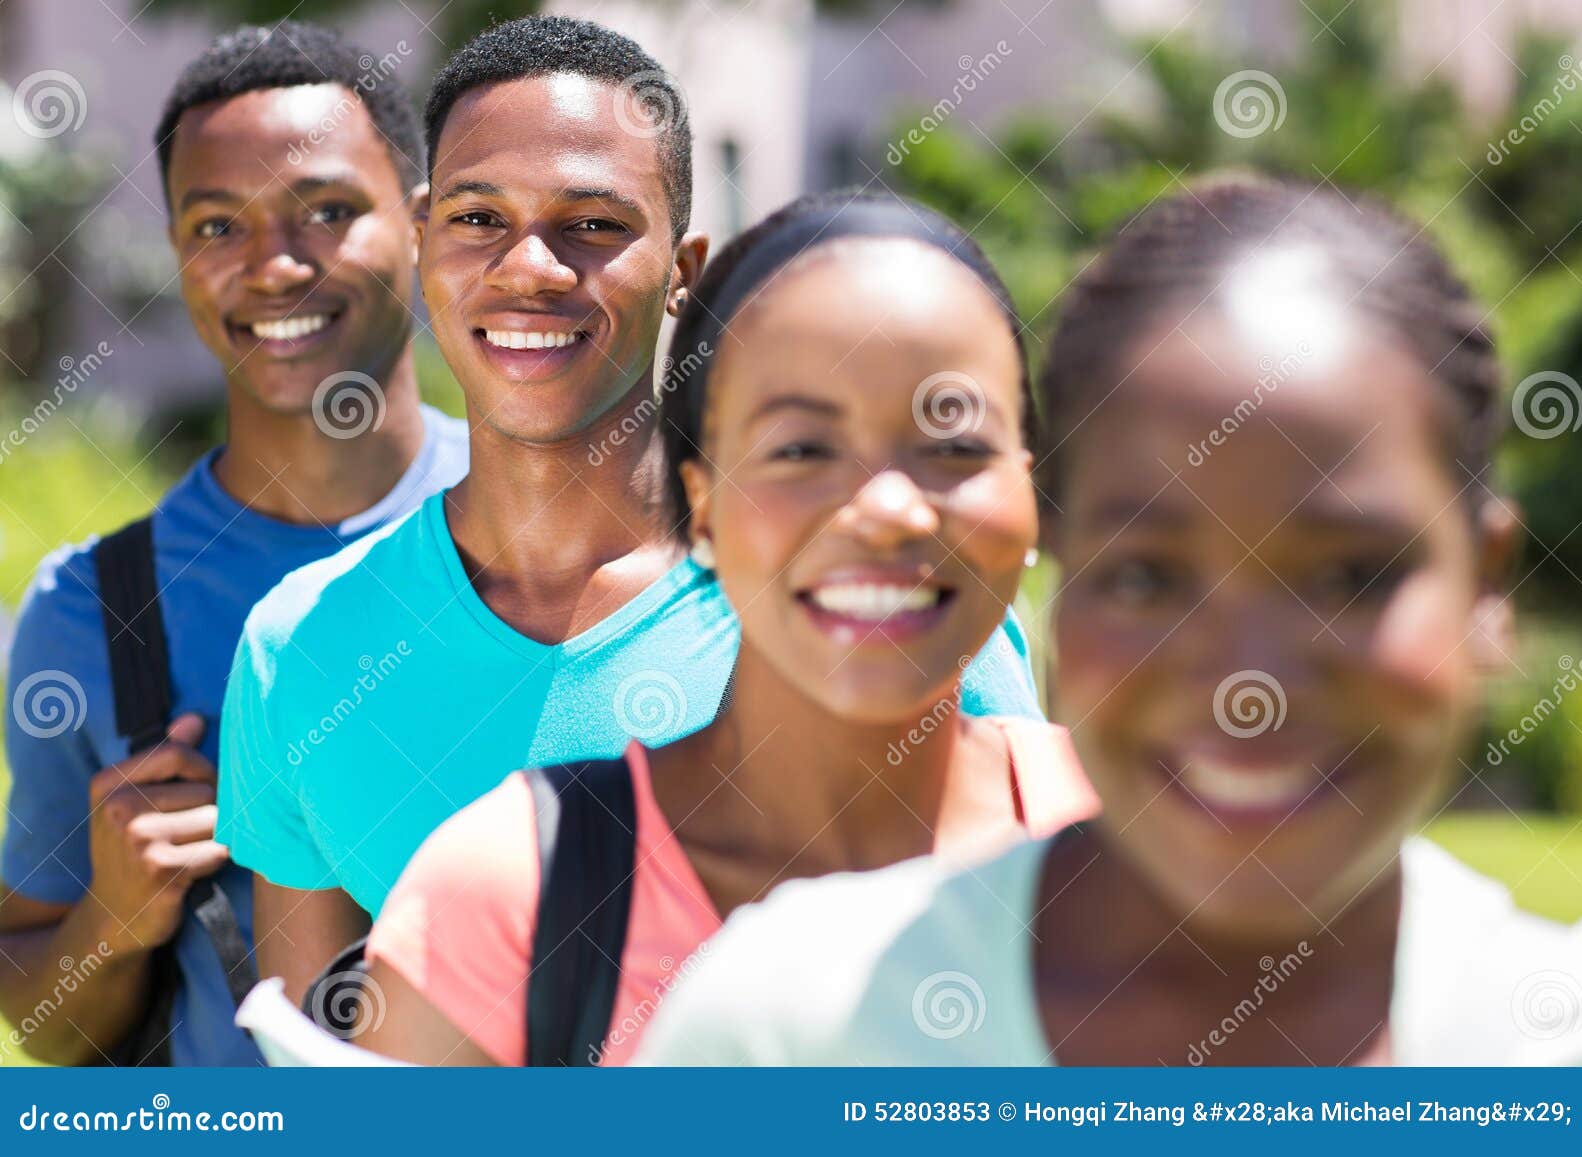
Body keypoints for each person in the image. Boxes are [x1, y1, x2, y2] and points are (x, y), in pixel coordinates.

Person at [635, 176, 1582, 1067]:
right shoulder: (793, 1029)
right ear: (1055, 567)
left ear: (1486, 584)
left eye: (1351, 576)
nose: (1246, 680)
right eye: (1145, 578)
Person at [217, 17, 1045, 1008]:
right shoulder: (300, 647)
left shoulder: (872, 597)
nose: (532, 267)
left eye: (595, 224)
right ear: (424, 235)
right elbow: (324, 1075)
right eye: (479, 217)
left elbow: (1022, 991)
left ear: (685, 269)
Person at [356, 189, 1098, 1067]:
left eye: (955, 444)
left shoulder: (1142, 838)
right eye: (801, 450)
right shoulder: (507, 898)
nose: (890, 510)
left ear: (1032, 486)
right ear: (700, 509)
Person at [0, 22, 468, 1066]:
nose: (273, 265)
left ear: (425, 225)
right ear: (178, 254)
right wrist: (113, 921)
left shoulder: (563, 533)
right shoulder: (95, 607)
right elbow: (45, 1018)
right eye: (217, 225)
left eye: (329, 211)